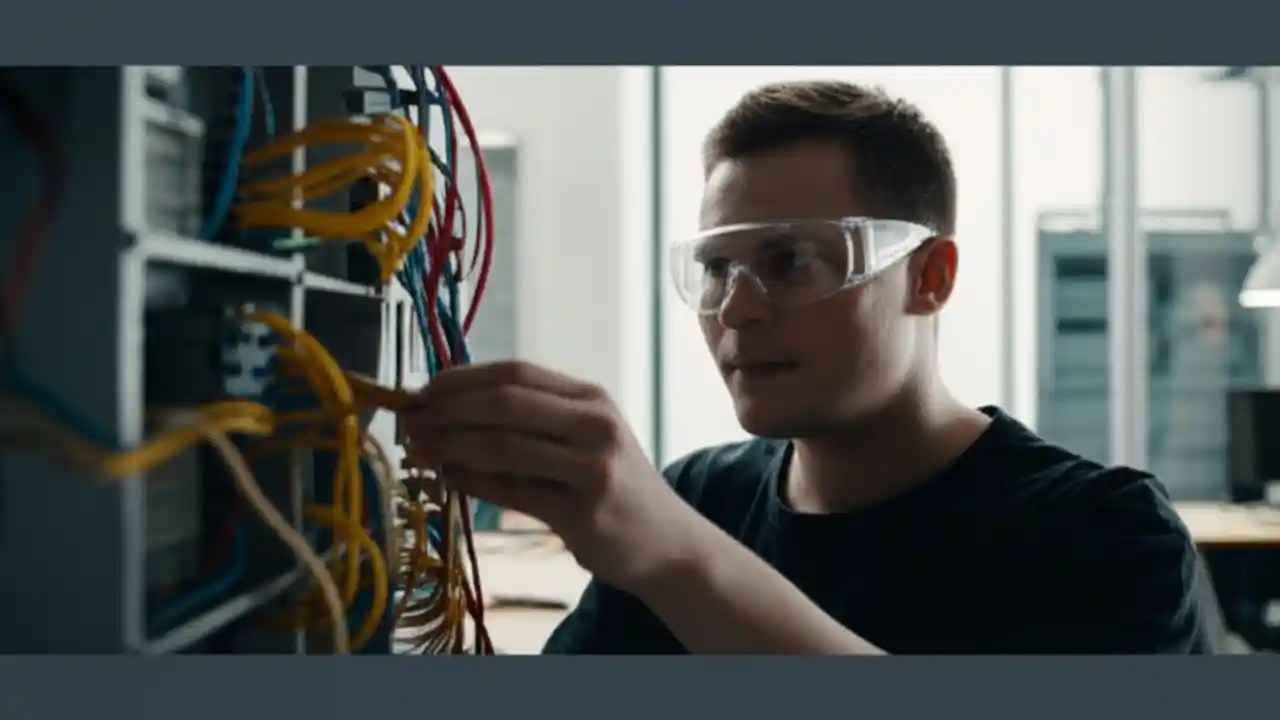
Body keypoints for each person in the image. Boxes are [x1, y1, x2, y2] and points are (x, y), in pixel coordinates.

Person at [405, 80, 1208, 654]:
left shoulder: (1103, 536)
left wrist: (676, 558)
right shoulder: (699, 497)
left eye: (790, 259)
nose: (736, 309)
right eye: (717, 268)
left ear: (930, 278)